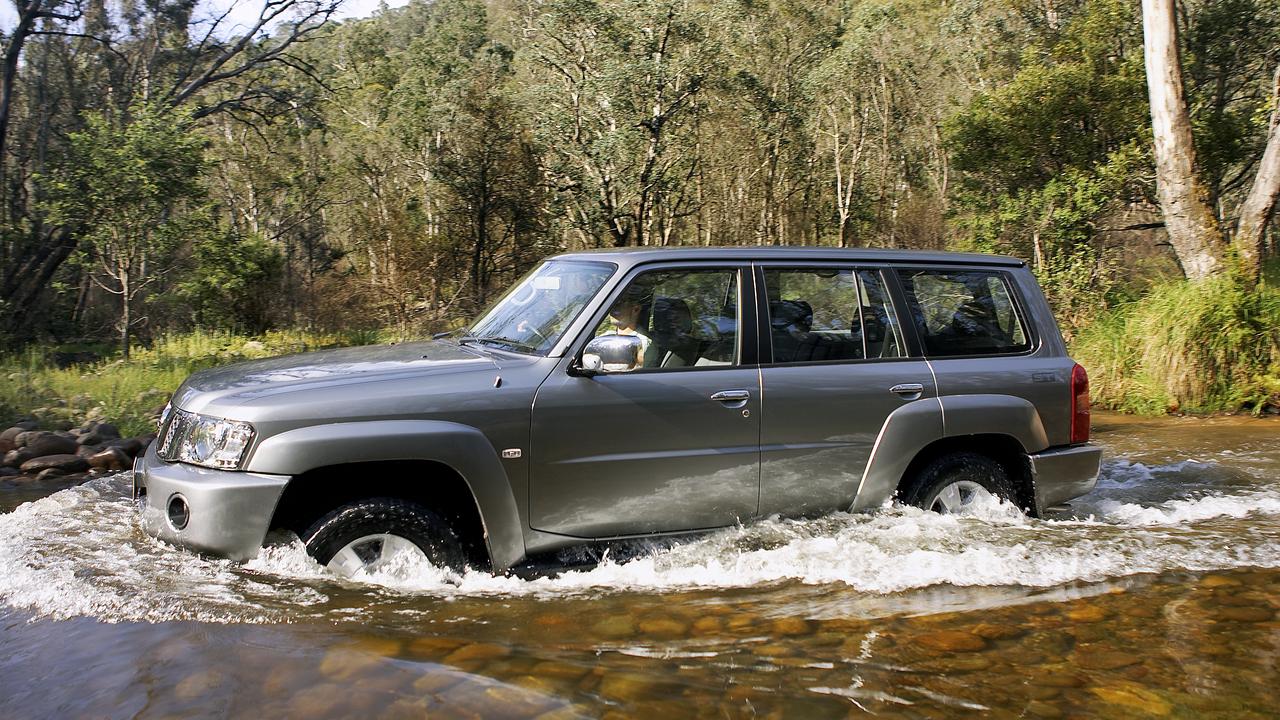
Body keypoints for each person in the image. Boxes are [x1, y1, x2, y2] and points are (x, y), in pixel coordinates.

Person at [599, 292, 660, 368]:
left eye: (619, 303)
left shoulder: (642, 343)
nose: (613, 308)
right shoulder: (606, 336)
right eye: (612, 304)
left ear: (636, 309)